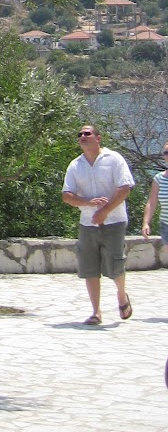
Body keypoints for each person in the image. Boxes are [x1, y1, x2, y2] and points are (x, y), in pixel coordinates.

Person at [62, 124, 135, 325]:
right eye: (80, 134)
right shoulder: (75, 165)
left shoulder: (114, 160)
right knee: (89, 267)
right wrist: (88, 203)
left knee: (115, 265)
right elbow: (67, 195)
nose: (83, 137)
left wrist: (105, 210)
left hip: (114, 221)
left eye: (87, 133)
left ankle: (121, 295)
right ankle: (96, 312)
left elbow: (125, 188)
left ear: (98, 138)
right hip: (87, 224)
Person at [141, 140, 168, 244]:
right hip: (166, 225)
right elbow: (151, 203)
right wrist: (146, 223)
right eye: (166, 153)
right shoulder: (159, 178)